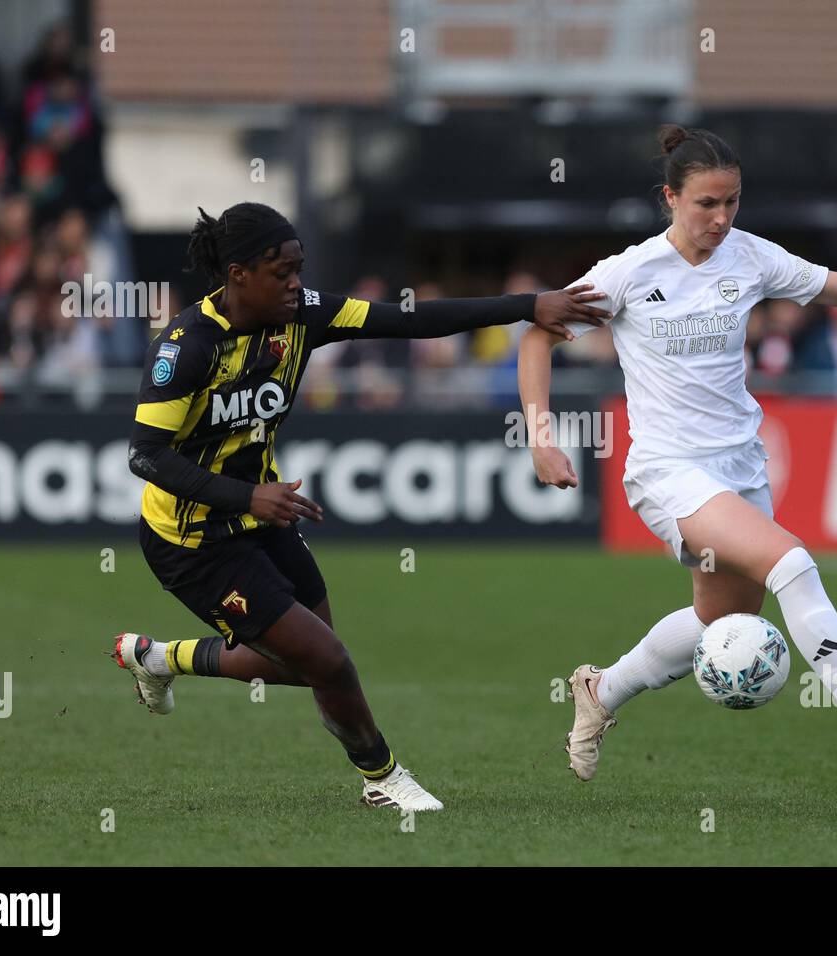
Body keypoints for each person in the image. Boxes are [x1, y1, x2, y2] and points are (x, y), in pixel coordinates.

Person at [113, 202, 609, 811]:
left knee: (309, 664)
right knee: (329, 661)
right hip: (192, 541)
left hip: (265, 514)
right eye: (282, 272)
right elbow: (147, 457)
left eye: (300, 268)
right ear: (238, 274)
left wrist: (527, 306)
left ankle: (161, 658)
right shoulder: (187, 348)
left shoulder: (304, 315)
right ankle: (384, 778)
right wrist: (249, 496)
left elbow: (412, 320)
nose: (297, 283)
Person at [517, 127, 837, 784]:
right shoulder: (630, 273)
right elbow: (538, 336)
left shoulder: (752, 258)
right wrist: (540, 435)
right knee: (793, 563)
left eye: (731, 202)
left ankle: (601, 691)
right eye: (706, 203)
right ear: (670, 197)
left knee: (719, 618)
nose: (721, 218)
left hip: (740, 469)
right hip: (667, 472)